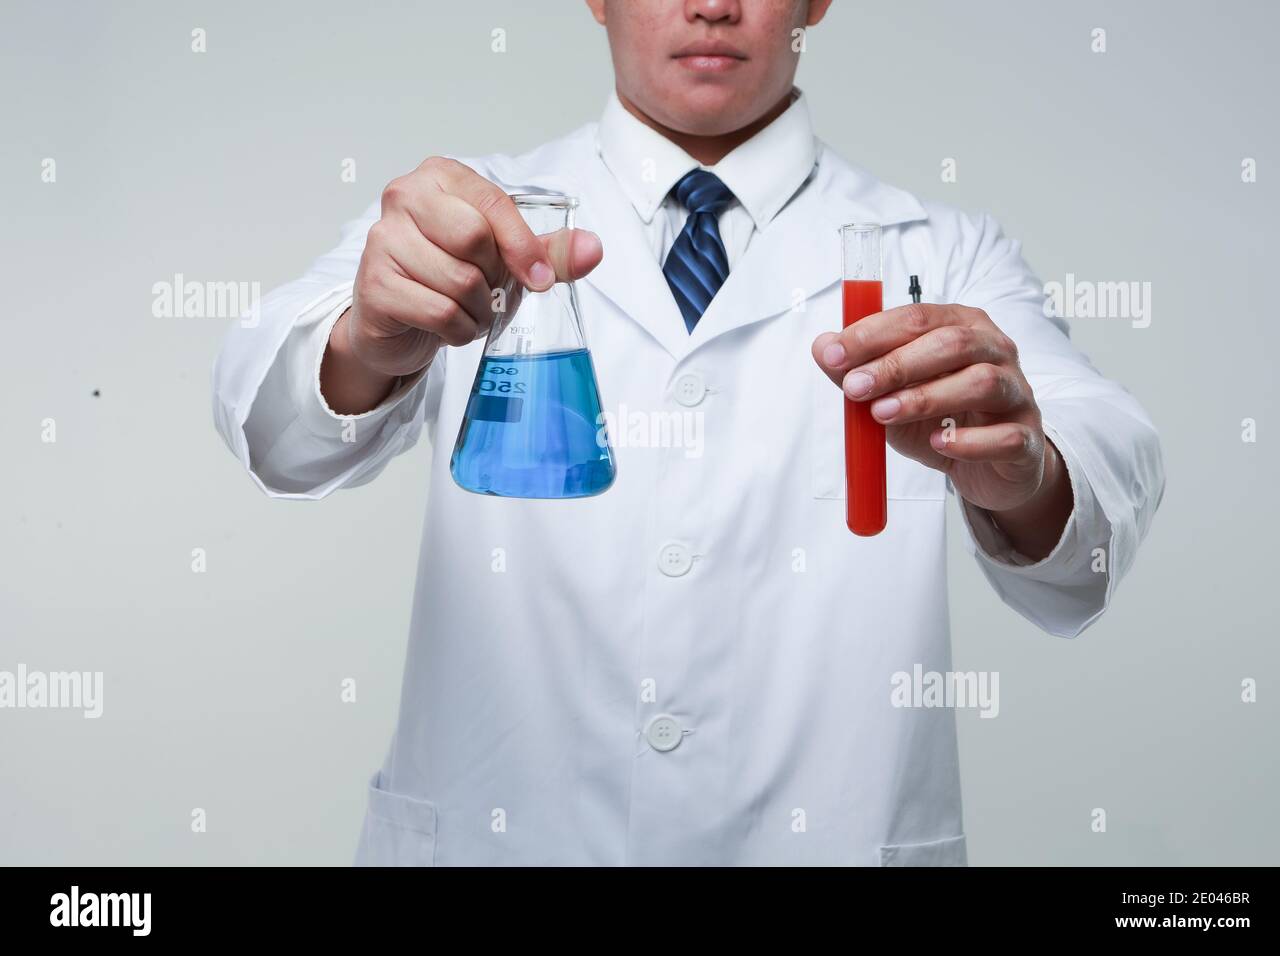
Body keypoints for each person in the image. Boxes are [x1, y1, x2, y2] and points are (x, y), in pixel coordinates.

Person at [212, 0, 1164, 865]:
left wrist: (1028, 471)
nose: (712, 4)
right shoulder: (465, 218)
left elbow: (1104, 460)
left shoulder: (943, 251)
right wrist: (370, 338)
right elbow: (272, 422)